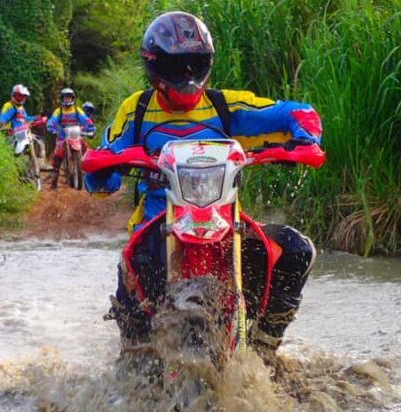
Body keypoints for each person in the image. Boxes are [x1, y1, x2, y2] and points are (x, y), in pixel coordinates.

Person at [84, 11, 323, 358]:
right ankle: (131, 370)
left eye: (194, 64)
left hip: (226, 226)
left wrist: (306, 141)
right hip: (156, 226)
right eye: (176, 66)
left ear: (207, 63)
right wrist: (106, 164)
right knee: (133, 315)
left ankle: (265, 346)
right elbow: (101, 171)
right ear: (154, 66)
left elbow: (295, 112)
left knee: (297, 251)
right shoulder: (134, 111)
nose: (187, 76)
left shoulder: (225, 106)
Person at [46, 88, 94, 188]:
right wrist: (51, 126)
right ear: (62, 99)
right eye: (65, 98)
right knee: (57, 157)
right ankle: (54, 182)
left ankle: (89, 173)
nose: (67, 100)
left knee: (86, 148)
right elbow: (52, 120)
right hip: (62, 136)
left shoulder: (77, 110)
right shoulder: (58, 111)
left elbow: (85, 119)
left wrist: (90, 126)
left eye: (69, 98)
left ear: (72, 98)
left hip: (75, 135)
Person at [0, 84, 38, 152]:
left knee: (35, 140)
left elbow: (25, 118)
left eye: (23, 96)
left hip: (21, 133)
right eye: (19, 96)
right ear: (14, 95)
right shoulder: (8, 106)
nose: (21, 98)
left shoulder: (21, 108)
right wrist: (5, 129)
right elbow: (1, 120)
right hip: (9, 134)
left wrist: (36, 118)